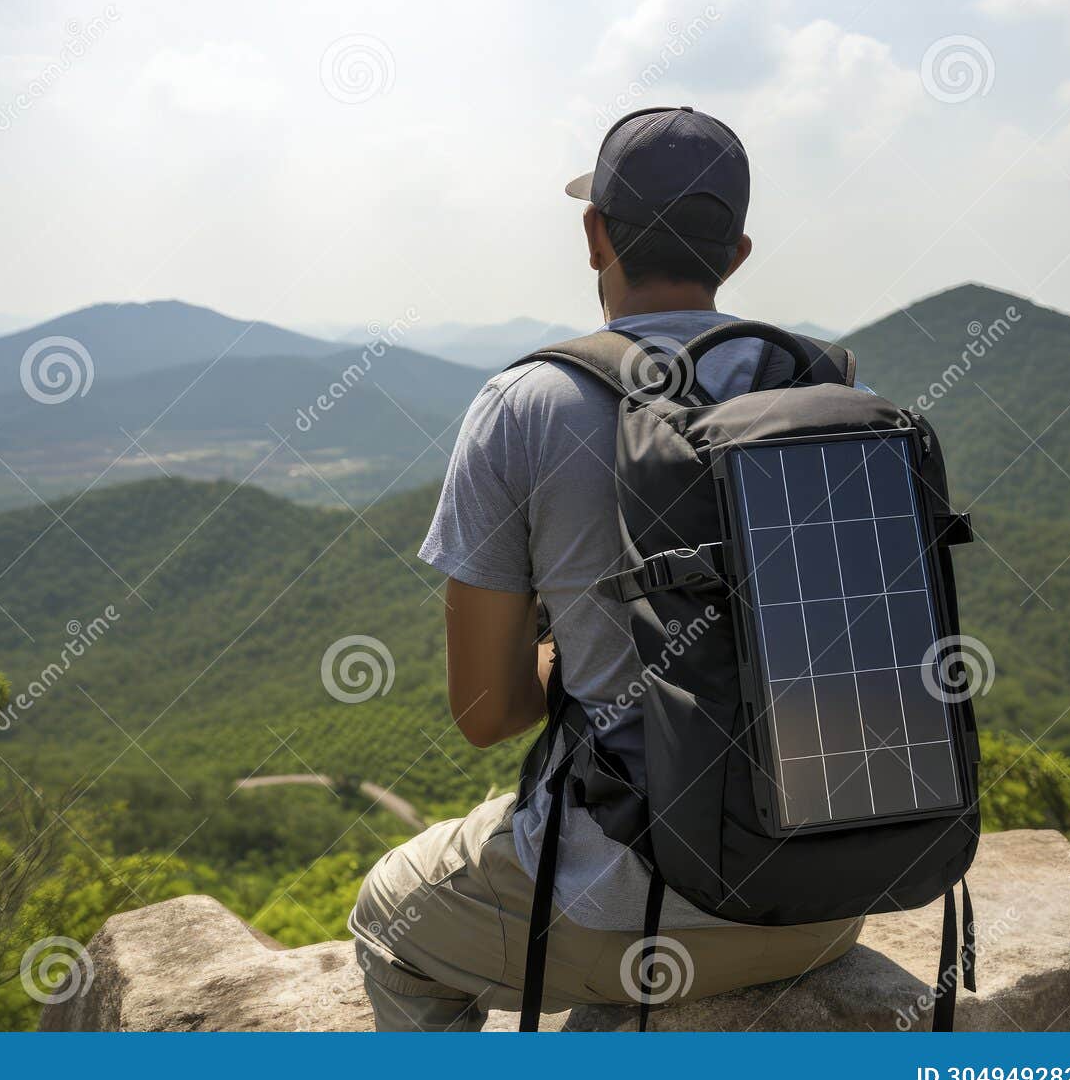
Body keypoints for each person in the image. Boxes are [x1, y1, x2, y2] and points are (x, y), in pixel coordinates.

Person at [349, 107, 864, 1031]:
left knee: (388, 916)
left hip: (631, 907)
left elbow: (486, 714)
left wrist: (561, 655)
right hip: (829, 893)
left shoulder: (527, 404)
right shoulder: (828, 390)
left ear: (596, 236)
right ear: (736, 254)